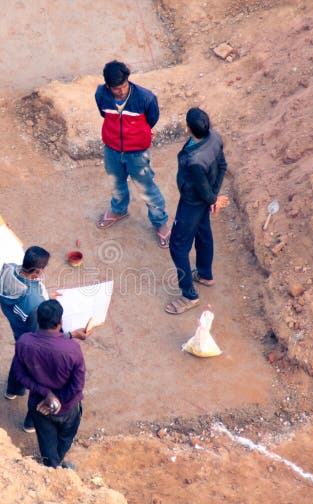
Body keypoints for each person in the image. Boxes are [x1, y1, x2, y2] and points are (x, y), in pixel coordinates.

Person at [0, 246, 88, 432]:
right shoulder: (34, 304)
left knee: (19, 362)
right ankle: (31, 423)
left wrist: (44, 296)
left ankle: (12, 390)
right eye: (43, 269)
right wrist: (71, 335)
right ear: (37, 271)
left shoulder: (9, 270)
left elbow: (30, 297)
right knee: (39, 378)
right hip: (31, 340)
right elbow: (41, 338)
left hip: (18, 331)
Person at [94, 60, 170, 248]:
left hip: (137, 153)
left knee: (147, 188)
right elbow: (104, 115)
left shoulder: (145, 98)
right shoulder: (101, 94)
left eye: (123, 86)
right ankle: (119, 210)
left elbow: (152, 119)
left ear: (128, 80)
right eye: (116, 88)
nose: (120, 91)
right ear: (107, 86)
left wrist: (137, 135)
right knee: (116, 183)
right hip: (112, 149)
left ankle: (160, 222)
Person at [166, 107, 230, 315]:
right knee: (203, 233)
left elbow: (201, 188)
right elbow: (222, 166)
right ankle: (204, 274)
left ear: (188, 129)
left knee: (177, 246)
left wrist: (213, 199)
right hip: (204, 199)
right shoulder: (216, 138)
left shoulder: (193, 160)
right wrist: (213, 196)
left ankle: (189, 295)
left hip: (192, 202)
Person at [12, 300, 85, 469]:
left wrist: (45, 393)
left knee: (46, 440)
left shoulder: (24, 342)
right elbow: (77, 386)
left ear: (38, 320)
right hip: (67, 407)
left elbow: (19, 374)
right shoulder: (72, 349)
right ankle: (54, 468)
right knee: (66, 437)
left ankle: (52, 463)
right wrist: (55, 399)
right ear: (60, 323)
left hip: (38, 406)